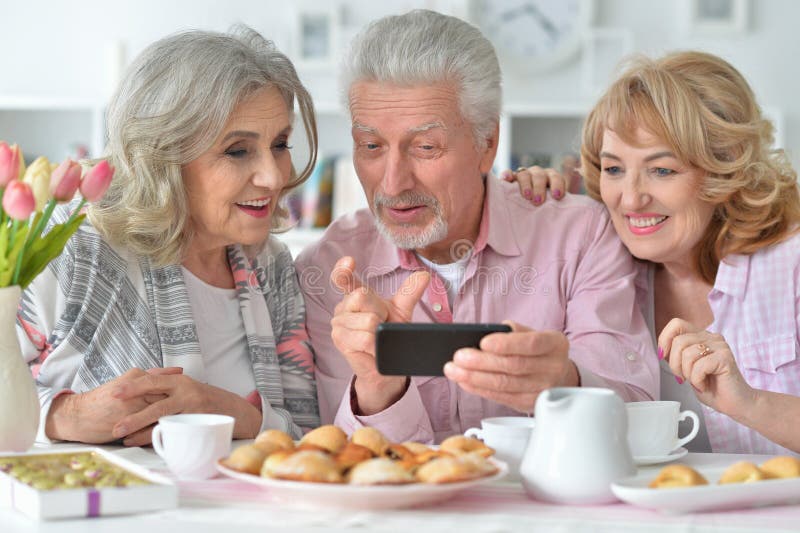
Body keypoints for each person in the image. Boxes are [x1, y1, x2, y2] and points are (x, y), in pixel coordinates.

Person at [294, 10, 657, 444]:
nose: (392, 183)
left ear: (487, 144)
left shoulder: (582, 235)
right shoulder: (329, 267)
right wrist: (377, 383)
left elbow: (639, 414)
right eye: (370, 146)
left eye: (426, 147)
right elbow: (351, 464)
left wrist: (566, 382)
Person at [16, 27, 320, 446]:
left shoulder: (272, 266)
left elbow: (312, 439)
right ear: (163, 156)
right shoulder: (75, 245)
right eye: (237, 150)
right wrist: (63, 416)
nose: (273, 177)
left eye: (280, 143)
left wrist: (235, 414)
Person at [513, 51, 800, 454]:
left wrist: (752, 404)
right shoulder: (602, 273)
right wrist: (533, 208)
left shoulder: (791, 266)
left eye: (661, 170)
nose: (631, 198)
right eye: (614, 169)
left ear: (724, 170)